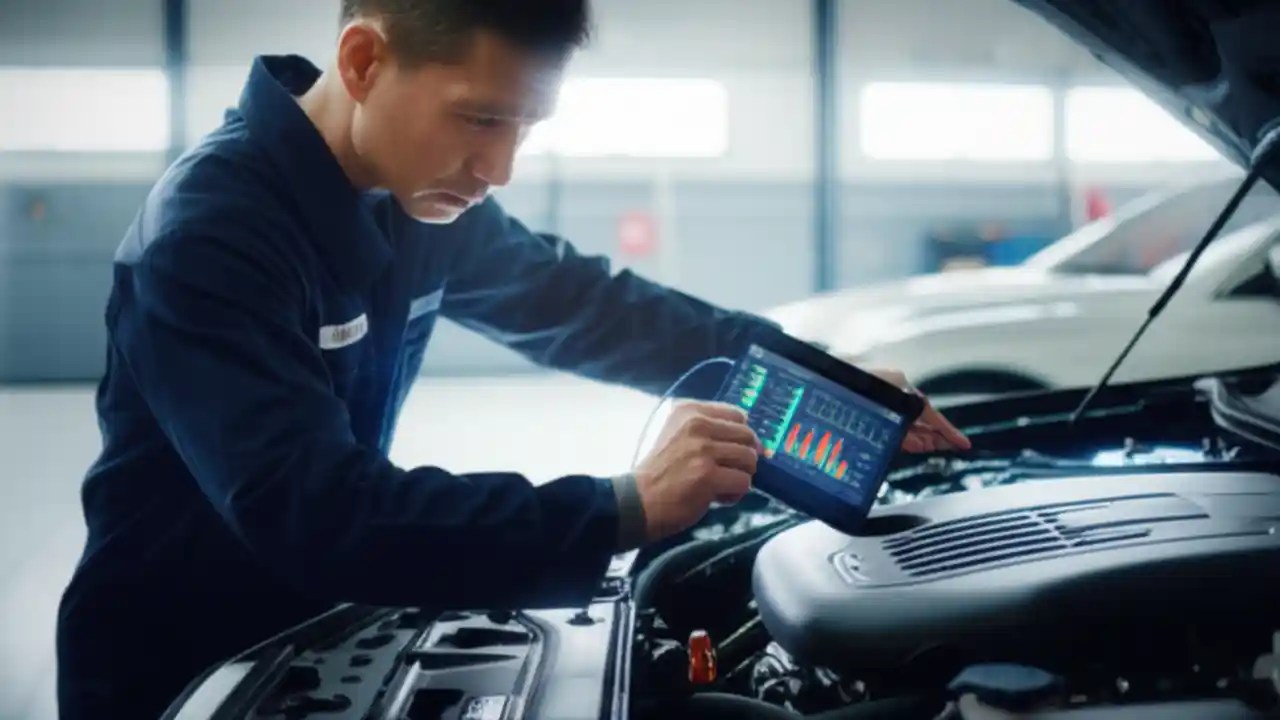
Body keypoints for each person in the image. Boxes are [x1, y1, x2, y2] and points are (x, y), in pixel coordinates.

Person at [54, 1, 970, 717]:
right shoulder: (210, 239)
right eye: (481, 118)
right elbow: (316, 511)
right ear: (364, 63)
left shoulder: (412, 192)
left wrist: (825, 378)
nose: (499, 167)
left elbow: (593, 308)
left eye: (525, 126)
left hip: (326, 633)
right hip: (191, 675)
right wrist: (623, 504)